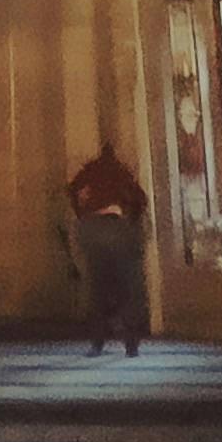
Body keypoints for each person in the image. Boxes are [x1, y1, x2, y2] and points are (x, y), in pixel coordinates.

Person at [68, 140, 150, 355]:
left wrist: (82, 213)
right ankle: (131, 345)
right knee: (127, 288)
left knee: (98, 288)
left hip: (94, 228)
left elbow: (72, 189)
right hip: (119, 228)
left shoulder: (91, 169)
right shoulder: (123, 172)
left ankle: (97, 344)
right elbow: (141, 199)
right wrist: (131, 220)